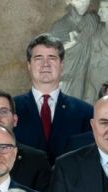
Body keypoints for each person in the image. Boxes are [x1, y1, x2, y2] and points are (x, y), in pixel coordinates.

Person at [13, 34, 94, 162]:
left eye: (52, 58)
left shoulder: (85, 112)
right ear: (29, 65)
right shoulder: (11, 108)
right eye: (39, 58)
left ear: (61, 65)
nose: (46, 64)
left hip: (68, 181)